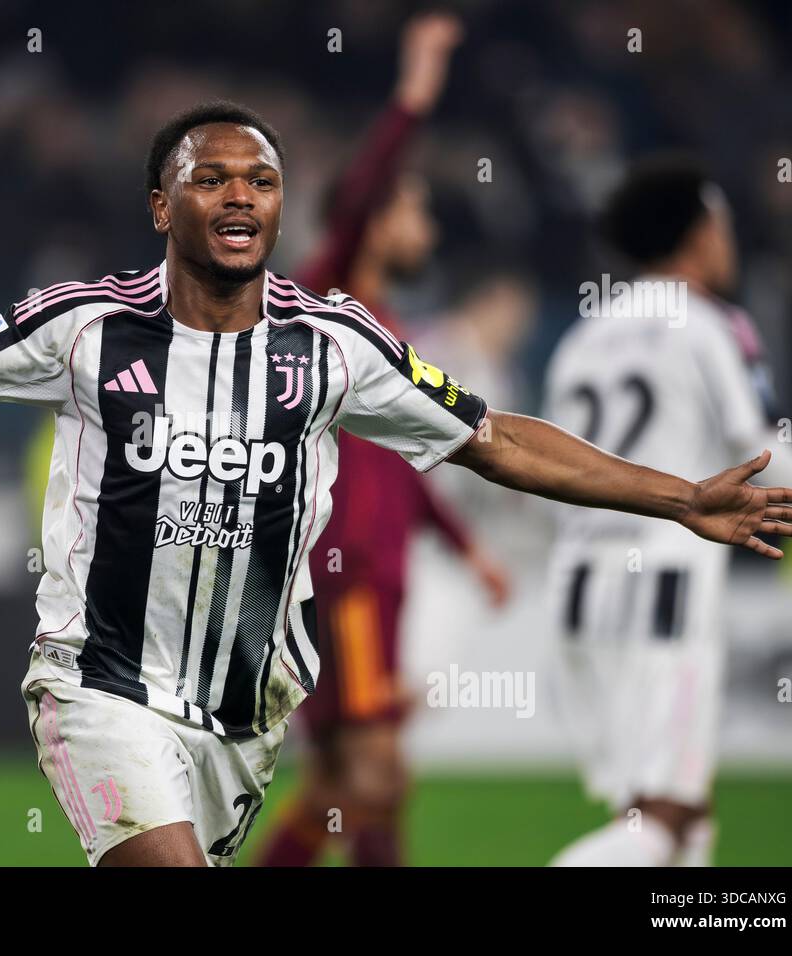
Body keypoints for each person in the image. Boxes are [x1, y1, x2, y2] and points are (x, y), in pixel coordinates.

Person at [0, 108, 792, 868]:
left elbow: (494, 437)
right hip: (97, 688)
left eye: (261, 181)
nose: (239, 198)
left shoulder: (333, 347)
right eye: (211, 177)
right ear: (161, 200)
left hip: (243, 715)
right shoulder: (83, 326)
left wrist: (676, 498)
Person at [258, 13, 509, 869]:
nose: (425, 226)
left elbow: (406, 466)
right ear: (372, 223)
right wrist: (416, 91)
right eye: (415, 210)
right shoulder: (323, 299)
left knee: (343, 780)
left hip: (368, 575)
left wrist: (465, 546)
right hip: (350, 577)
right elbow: (361, 191)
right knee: (373, 775)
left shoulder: (385, 332)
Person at [543, 155, 792, 866]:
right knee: (665, 817)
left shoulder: (581, 339)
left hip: (578, 581)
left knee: (674, 816)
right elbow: (757, 449)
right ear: (700, 235)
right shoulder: (708, 323)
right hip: (664, 578)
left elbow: (549, 465)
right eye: (723, 227)